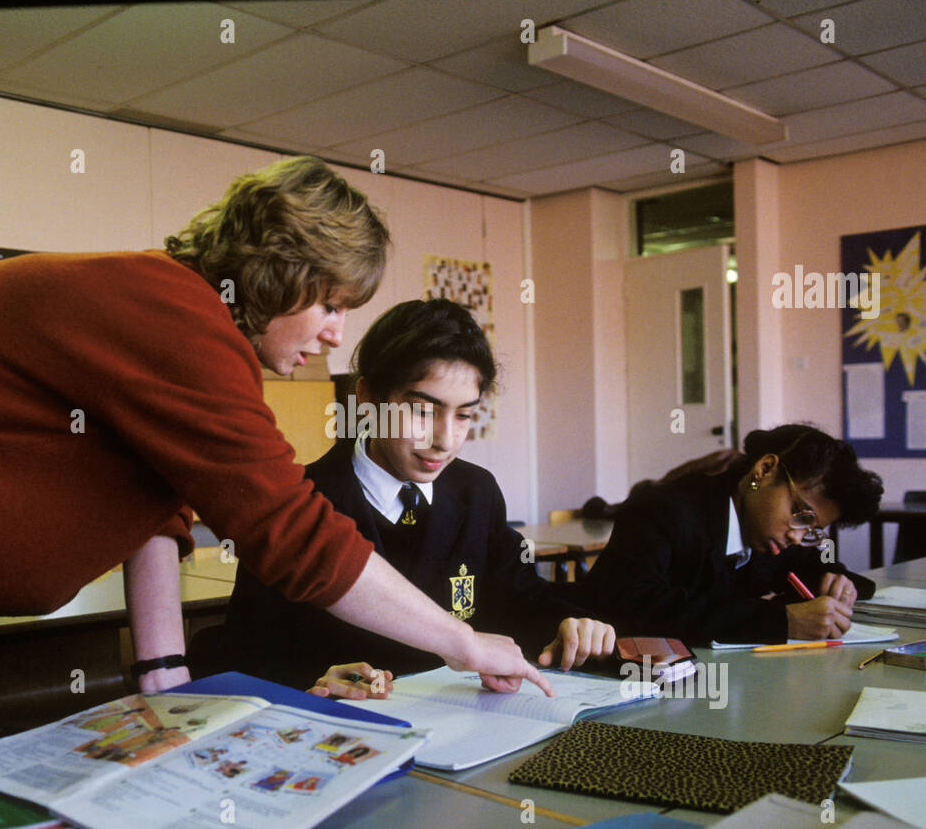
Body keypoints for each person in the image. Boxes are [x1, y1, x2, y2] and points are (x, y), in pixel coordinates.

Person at [0, 157, 549, 797]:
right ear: (280, 271)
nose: (335, 335)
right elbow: (291, 534)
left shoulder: (183, 316)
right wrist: (463, 641)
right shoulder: (176, 314)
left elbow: (156, 510)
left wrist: (163, 684)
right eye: (332, 303)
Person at [189, 298, 616, 697]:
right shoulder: (299, 504)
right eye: (422, 411)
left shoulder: (476, 492)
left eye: (464, 415)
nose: (444, 441)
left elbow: (519, 597)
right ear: (369, 398)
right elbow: (246, 652)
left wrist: (566, 624)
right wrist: (309, 682)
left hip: (461, 726)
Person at [572, 424, 883, 646]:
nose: (797, 537)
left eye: (812, 530)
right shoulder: (664, 509)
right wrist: (780, 621)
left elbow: (804, 562)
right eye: (800, 515)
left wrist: (834, 578)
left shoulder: (764, 531)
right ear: (764, 470)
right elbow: (634, 609)